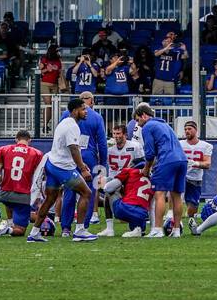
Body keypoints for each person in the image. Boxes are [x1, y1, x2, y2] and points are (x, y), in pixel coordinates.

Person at [28, 97, 96, 243]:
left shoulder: (64, 123)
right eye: (83, 109)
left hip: (52, 164)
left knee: (50, 198)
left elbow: (72, 149)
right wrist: (83, 169)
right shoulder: (72, 126)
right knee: (86, 193)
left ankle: (34, 233)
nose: (86, 112)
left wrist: (82, 164)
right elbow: (74, 149)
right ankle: (80, 231)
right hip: (62, 167)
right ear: (75, 110)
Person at [59, 91, 107, 235]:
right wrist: (103, 164)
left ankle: (66, 228)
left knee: (69, 191)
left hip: (71, 157)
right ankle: (83, 226)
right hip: (88, 157)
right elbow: (102, 143)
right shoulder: (97, 117)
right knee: (89, 192)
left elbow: (59, 136)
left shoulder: (65, 115)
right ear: (91, 101)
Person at [135, 102, 186, 238]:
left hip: (167, 160)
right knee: (176, 196)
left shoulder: (148, 127)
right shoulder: (165, 125)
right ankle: (176, 230)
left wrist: (146, 168)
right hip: (182, 159)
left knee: (159, 194)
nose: (138, 123)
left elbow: (150, 153)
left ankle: (157, 229)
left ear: (144, 116)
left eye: (138, 119)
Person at [0, 130, 43, 238]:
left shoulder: (4, 149)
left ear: (16, 140)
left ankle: (9, 222)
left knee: (10, 201)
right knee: (20, 230)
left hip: (5, 194)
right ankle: (8, 229)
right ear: (29, 140)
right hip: (24, 195)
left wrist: (1, 184)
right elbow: (40, 177)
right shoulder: (36, 153)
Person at [104, 165, 153, 237]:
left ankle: (109, 229)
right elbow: (153, 206)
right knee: (138, 229)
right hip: (142, 215)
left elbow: (108, 188)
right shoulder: (152, 178)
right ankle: (139, 229)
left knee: (108, 189)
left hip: (125, 209)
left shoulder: (130, 171)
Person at [179, 122, 213, 221]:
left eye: (189, 129)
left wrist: (194, 163)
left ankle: (187, 215)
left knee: (192, 208)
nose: (187, 131)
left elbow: (207, 164)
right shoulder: (180, 144)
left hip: (195, 177)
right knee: (176, 197)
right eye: (185, 129)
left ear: (196, 130)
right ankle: (174, 217)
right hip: (181, 175)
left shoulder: (206, 146)